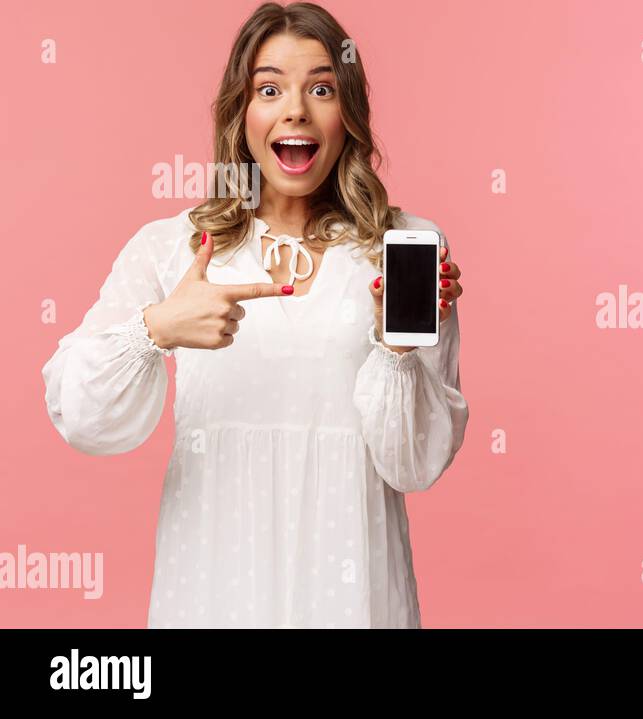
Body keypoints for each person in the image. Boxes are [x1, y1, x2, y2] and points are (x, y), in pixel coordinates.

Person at [39, 1, 469, 628]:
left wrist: (394, 347)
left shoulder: (400, 248)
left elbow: (413, 464)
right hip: (216, 585)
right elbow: (80, 417)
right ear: (241, 113)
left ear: (348, 111)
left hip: (353, 589)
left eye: (322, 88)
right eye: (269, 89)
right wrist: (155, 329)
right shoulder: (174, 247)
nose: (295, 108)